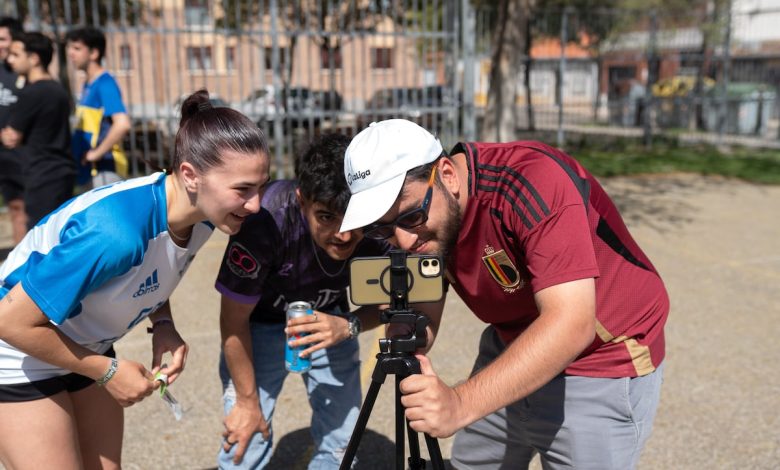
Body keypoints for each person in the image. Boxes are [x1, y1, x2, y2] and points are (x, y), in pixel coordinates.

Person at [338, 119, 669, 469]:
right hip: (513, 343)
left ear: (448, 175)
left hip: (600, 358)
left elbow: (572, 323)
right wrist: (412, 333)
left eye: (411, 217)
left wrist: (459, 405)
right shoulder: (434, 213)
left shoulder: (533, 181)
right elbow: (428, 298)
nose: (404, 240)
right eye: (383, 228)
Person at [0, 89, 270, 470]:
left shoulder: (206, 216)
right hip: (17, 354)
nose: (256, 204)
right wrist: (107, 370)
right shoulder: (116, 232)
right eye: (243, 189)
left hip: (84, 345)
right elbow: (9, 321)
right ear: (190, 175)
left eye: (261, 186)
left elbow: (152, 268)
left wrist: (163, 323)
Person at [215, 133, 444, 469]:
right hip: (258, 326)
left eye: (352, 218)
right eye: (325, 217)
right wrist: (248, 402)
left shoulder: (380, 223)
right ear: (301, 200)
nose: (343, 234)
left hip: (331, 319)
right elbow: (233, 321)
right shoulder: (265, 220)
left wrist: (349, 325)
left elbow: (397, 301)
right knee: (244, 439)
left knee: (341, 447)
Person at [0, 32, 75, 230]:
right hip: (60, 172)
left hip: (43, 174)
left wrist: (6, 133)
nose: (10, 60)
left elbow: (11, 138)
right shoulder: (56, 88)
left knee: (42, 234)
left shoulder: (33, 92)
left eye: (16, 55)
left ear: (34, 58)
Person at [66, 26, 131, 190]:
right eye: (70, 48)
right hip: (90, 171)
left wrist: (96, 154)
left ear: (94, 53)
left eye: (77, 48)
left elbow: (122, 124)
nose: (70, 53)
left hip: (104, 171)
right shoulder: (88, 84)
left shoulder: (105, 83)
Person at [0, 17, 26, 243]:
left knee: (22, 209)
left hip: (21, 155)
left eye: (3, 39)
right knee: (13, 207)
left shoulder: (24, 73)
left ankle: (23, 257)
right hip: (3, 155)